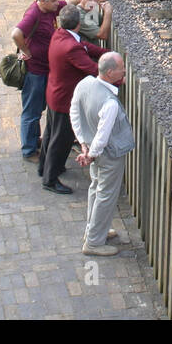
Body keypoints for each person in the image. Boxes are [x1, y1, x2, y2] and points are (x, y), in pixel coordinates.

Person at [72, 52, 134, 256]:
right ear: (110, 73)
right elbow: (103, 135)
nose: (124, 70)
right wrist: (91, 153)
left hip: (92, 150)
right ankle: (94, 243)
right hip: (108, 156)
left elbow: (75, 112)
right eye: (121, 68)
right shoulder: (110, 103)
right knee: (106, 195)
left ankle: (94, 230)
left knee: (95, 188)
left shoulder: (85, 84)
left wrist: (83, 143)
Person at [40, 4, 104, 195]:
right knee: (61, 140)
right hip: (64, 99)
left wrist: (104, 53)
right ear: (78, 24)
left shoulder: (60, 35)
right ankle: (50, 179)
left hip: (54, 93)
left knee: (51, 134)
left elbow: (84, 47)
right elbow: (92, 69)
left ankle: (44, 167)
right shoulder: (71, 47)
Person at [11, 0, 68, 163]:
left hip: (45, 69)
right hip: (35, 72)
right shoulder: (33, 14)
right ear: (41, 1)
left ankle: (34, 140)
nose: (56, 4)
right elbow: (16, 33)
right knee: (32, 112)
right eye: (53, 1)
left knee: (38, 108)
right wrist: (25, 50)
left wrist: (84, 0)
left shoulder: (50, 8)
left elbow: (67, 4)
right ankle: (29, 150)